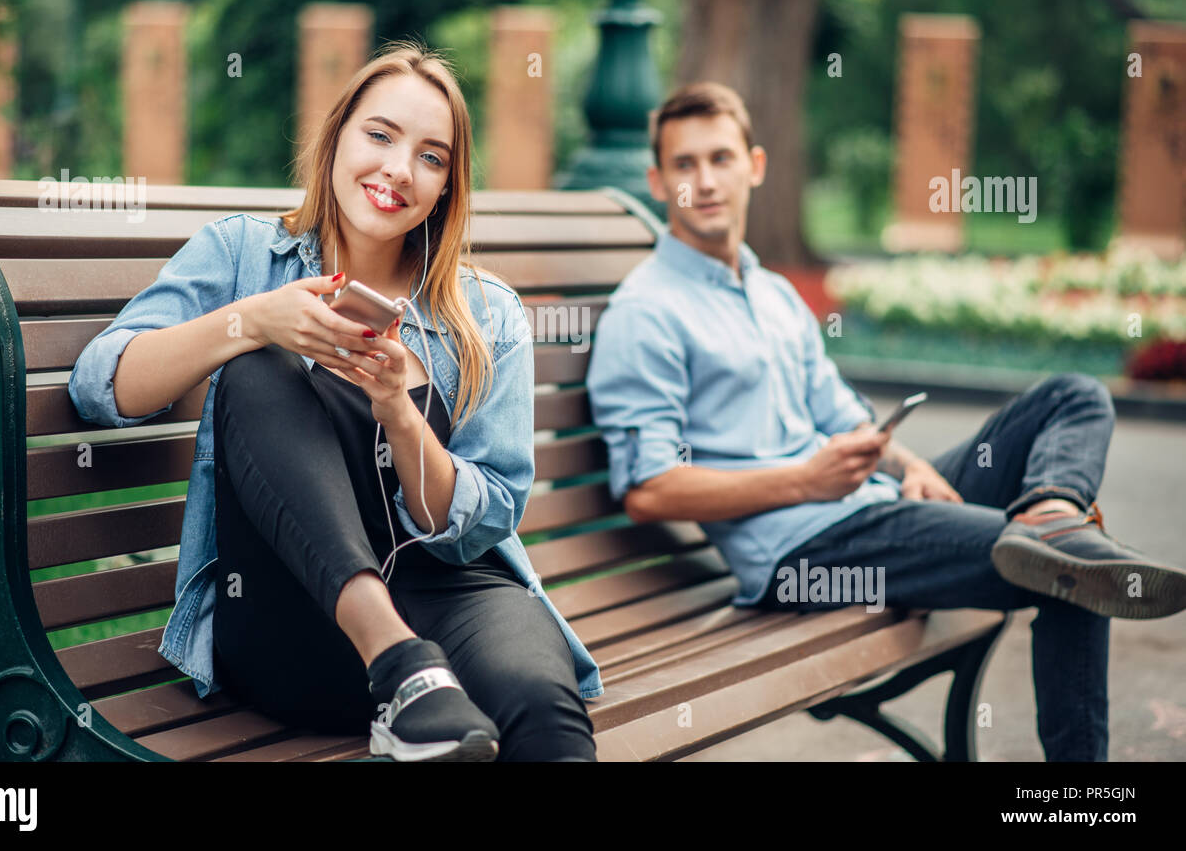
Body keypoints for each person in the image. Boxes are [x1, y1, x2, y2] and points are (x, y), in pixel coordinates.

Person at [584, 80, 1186, 762]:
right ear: (657, 181)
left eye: (720, 158)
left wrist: (912, 465)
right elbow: (649, 490)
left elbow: (837, 409)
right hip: (803, 549)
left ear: (754, 166)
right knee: (1071, 570)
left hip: (864, 505)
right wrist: (805, 481)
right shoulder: (648, 311)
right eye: (684, 165)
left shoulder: (771, 292)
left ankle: (1050, 508)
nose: (705, 180)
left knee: (1072, 396)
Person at [69, 41, 601, 762]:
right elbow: (101, 383)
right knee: (259, 368)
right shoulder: (242, 255)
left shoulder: (487, 314)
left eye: (430, 156)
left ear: (447, 185)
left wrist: (400, 411)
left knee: (542, 709)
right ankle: (401, 667)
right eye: (379, 135)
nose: (397, 169)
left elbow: (487, 515)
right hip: (298, 617)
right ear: (336, 138)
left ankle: (418, 692)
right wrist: (249, 321)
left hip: (450, 592)